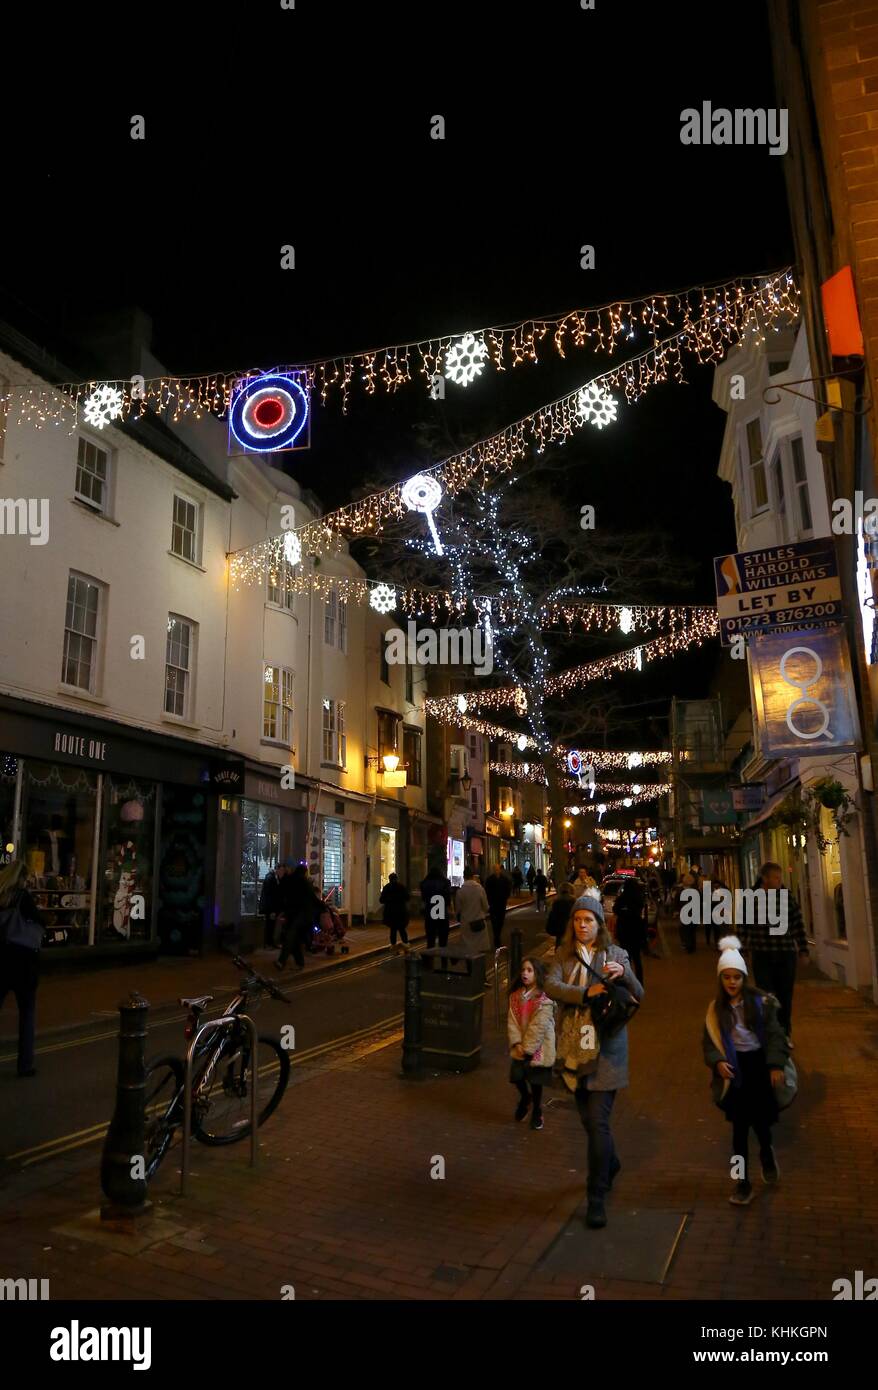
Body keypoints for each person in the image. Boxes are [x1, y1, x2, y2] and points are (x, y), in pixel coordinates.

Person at [545, 893, 644, 1230]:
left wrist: (625, 973)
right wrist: (583, 993)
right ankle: (611, 1163)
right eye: (578, 920)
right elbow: (551, 985)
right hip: (574, 1049)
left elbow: (639, 994)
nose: (582, 925)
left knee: (598, 1123)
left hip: (607, 1050)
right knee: (589, 1121)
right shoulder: (564, 954)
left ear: (599, 924)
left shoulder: (614, 954)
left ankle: (596, 1195)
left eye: (589, 920)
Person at [702, 935, 790, 1206]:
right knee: (739, 1131)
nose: (731, 982)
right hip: (735, 1072)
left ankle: (766, 1154)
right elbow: (709, 1041)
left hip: (759, 1068)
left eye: (736, 977)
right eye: (726, 977)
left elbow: (776, 1035)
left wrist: (775, 1065)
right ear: (720, 979)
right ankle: (742, 1182)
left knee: (762, 1125)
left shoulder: (761, 1003)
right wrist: (717, 1061)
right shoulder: (715, 1010)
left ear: (744, 978)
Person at [742, 862, 809, 1044]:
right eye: (776, 878)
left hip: (785, 954)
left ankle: (785, 1033)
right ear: (765, 878)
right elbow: (744, 927)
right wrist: (744, 950)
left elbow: (797, 924)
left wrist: (803, 949)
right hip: (762, 955)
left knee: (785, 996)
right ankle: (771, 1034)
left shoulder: (787, 898)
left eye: (780, 878)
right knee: (766, 997)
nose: (780, 881)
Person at [0, 860, 44, 1077]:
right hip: (24, 962)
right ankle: (25, 1065)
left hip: (2, 960)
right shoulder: (23, 898)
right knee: (27, 1014)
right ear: (21, 877)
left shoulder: (2, 897)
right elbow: (40, 922)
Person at [507, 956, 555, 1132]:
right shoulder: (515, 997)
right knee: (517, 1076)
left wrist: (527, 1048)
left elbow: (539, 1027)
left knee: (536, 1081)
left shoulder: (544, 999)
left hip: (539, 1048)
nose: (525, 974)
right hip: (521, 1047)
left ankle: (537, 1110)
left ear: (537, 974)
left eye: (529, 970)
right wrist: (517, 1043)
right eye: (523, 970)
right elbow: (512, 1022)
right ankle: (525, 1098)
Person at [276, 863, 320, 971]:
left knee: (292, 938)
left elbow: (282, 892)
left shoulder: (290, 879)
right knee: (293, 939)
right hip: (302, 915)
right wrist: (322, 907)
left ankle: (283, 962)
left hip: (293, 914)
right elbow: (313, 898)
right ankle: (295, 962)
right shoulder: (305, 882)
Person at [614, 876, 647, 984]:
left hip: (624, 931)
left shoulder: (622, 898)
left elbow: (616, 910)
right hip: (636, 931)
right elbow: (642, 915)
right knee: (637, 959)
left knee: (625, 958)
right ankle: (639, 981)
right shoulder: (639, 898)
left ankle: (626, 980)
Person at [454, 867, 491, 954]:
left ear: (464, 877)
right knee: (479, 950)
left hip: (466, 923)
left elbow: (458, 909)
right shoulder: (480, 889)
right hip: (479, 923)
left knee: (467, 950)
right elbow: (486, 907)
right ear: (473, 876)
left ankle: (469, 966)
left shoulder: (460, 891)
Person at [420, 865, 452, 949]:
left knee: (430, 940)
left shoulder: (424, 883)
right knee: (443, 941)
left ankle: (429, 960)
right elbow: (448, 899)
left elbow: (423, 898)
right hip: (442, 912)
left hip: (430, 913)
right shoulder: (445, 882)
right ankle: (443, 960)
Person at [379, 872, 411, 951]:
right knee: (402, 929)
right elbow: (407, 898)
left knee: (393, 930)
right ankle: (406, 945)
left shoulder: (387, 887)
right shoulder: (401, 887)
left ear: (389, 879)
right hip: (401, 911)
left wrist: (389, 900)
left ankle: (393, 946)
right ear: (397, 879)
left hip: (391, 912)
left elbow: (381, 900)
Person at [258, 862, 286, 948]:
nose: (282, 873)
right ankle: (268, 943)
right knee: (270, 926)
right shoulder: (271, 879)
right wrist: (272, 910)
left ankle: (270, 943)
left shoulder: (273, 878)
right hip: (270, 908)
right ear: (277, 869)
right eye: (281, 870)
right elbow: (270, 895)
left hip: (272, 907)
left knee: (272, 925)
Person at [485, 864, 512, 949]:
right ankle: (497, 938)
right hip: (493, 903)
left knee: (500, 921)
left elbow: (508, 889)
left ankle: (497, 935)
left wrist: (506, 897)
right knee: (494, 921)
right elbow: (487, 891)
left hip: (501, 903)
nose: (496, 871)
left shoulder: (504, 879)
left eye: (497, 869)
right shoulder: (489, 880)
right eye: (495, 869)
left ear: (500, 870)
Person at [545, 881, 576, 947]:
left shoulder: (556, 902)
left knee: (559, 948)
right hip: (572, 930)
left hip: (560, 930)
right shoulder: (574, 902)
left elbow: (551, 917)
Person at [674, 871, 697, 953]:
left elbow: (676, 902)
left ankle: (688, 944)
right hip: (694, 913)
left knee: (685, 929)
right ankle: (692, 945)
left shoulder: (680, 891)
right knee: (692, 930)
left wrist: (676, 911)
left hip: (683, 913)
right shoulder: (695, 890)